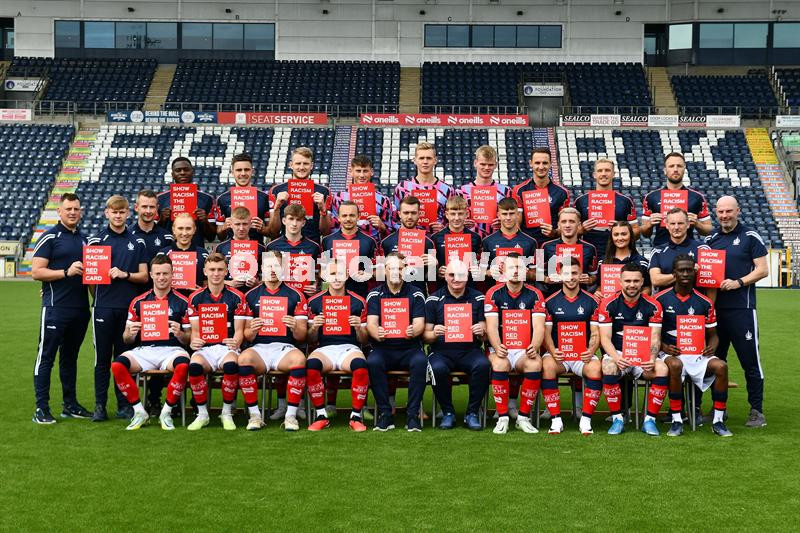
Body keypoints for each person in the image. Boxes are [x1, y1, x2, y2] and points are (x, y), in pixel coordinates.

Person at [705, 196, 768, 428]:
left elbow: (762, 270)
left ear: (738, 211)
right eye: (721, 212)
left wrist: (738, 282)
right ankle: (718, 409)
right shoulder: (710, 239)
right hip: (715, 312)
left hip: (742, 309)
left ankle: (756, 410)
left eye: (729, 211)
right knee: (714, 361)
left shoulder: (750, 236)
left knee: (750, 362)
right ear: (716, 212)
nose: (724, 216)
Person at [110, 255, 193, 430]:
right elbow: (126, 338)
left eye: (165, 273)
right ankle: (140, 411)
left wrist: (180, 333)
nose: (162, 277)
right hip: (145, 349)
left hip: (172, 350)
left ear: (172, 274)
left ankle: (166, 412)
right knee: (117, 365)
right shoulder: (139, 301)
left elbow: (188, 339)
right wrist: (131, 333)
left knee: (183, 366)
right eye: (158, 274)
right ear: (151, 275)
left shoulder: (183, 302)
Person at [655, 254, 733, 437]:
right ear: (673, 273)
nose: (685, 273)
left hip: (696, 353)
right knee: (675, 365)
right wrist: (664, 347)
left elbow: (713, 335)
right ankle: (676, 420)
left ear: (695, 273)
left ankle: (718, 421)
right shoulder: (659, 299)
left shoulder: (704, 302)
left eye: (689, 270)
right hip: (670, 353)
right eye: (681, 270)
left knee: (721, 366)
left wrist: (711, 347)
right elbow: (653, 335)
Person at [31, 193, 92, 423]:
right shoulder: (50, 237)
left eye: (76, 208)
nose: (73, 212)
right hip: (55, 308)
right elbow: (36, 271)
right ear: (60, 211)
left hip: (80, 309)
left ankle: (70, 405)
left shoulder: (86, 240)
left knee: (70, 359)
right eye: (68, 209)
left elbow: (91, 277)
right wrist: (65, 272)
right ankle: (41, 408)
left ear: (81, 211)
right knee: (46, 357)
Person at [87, 195, 149, 422]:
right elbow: (91, 280)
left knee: (123, 358)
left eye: (122, 212)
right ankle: (100, 406)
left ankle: (125, 404)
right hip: (103, 308)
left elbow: (144, 276)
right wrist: (101, 299)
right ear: (106, 213)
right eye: (114, 212)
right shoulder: (96, 241)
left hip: (128, 310)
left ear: (128, 214)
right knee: (102, 359)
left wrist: (125, 275)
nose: (118, 215)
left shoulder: (137, 242)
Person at [239, 250, 309, 432]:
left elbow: (302, 336)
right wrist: (252, 330)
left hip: (284, 347)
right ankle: (255, 415)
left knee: (300, 360)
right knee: (244, 359)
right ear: (261, 268)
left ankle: (291, 416)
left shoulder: (296, 295)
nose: (272, 270)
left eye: (277, 266)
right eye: (269, 266)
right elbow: (246, 335)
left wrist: (294, 326)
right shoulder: (250, 296)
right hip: (259, 348)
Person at [598, 263, 667, 436]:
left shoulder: (653, 305)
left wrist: (651, 357)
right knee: (608, 367)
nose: (632, 285)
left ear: (643, 281)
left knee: (662, 368)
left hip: (643, 353)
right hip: (618, 352)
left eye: (636, 281)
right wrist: (615, 357)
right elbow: (604, 338)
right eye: (627, 280)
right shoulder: (608, 304)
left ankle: (649, 420)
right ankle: (617, 418)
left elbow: (655, 336)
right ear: (619, 281)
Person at [484, 252, 546, 434]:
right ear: (503, 270)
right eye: (511, 267)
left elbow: (539, 327)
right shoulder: (493, 293)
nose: (516, 271)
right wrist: (497, 347)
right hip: (501, 347)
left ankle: (523, 417)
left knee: (535, 364)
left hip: (523, 348)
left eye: (519, 267)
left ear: (526, 270)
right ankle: (502, 416)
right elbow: (492, 327)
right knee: (500, 363)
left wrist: (534, 346)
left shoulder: (535, 294)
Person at [305, 259, 370, 432]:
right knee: (311, 365)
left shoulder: (358, 301)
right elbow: (310, 339)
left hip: (349, 348)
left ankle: (356, 416)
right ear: (325, 275)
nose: (336, 278)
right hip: (324, 349)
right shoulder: (314, 301)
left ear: (347, 275)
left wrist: (358, 327)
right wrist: (314, 327)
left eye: (340, 273)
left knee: (361, 366)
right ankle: (321, 415)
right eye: (332, 274)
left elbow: (364, 340)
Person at [185, 253, 248, 431]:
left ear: (226, 271)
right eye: (212, 269)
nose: (216, 274)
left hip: (227, 347)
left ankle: (226, 412)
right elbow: (195, 333)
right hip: (205, 348)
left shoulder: (237, 297)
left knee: (231, 366)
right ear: (205, 271)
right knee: (195, 367)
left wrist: (235, 341)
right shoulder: (195, 298)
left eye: (220, 269)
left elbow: (239, 332)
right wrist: (194, 342)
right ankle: (202, 414)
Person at [366, 252, 428, 432]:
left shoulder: (416, 294)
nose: (395, 272)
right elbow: (371, 323)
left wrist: (413, 330)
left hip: (409, 347)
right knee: (373, 362)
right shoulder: (375, 294)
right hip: (384, 347)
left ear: (406, 270)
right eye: (391, 268)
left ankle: (412, 415)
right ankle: (386, 414)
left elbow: (419, 324)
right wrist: (377, 333)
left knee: (420, 362)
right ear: (384, 270)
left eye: (400, 268)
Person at [424, 261, 489, 431]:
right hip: (441, 352)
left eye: (460, 275)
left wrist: (481, 330)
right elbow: (425, 335)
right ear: (445, 276)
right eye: (452, 275)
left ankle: (472, 413)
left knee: (483, 365)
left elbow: (485, 334)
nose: (456, 279)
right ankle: (448, 412)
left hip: (470, 351)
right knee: (437, 368)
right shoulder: (433, 299)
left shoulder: (479, 298)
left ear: (467, 277)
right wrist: (434, 332)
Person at [541, 258, 602, 435]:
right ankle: (556, 419)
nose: (571, 277)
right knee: (547, 366)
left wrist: (591, 351)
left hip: (582, 354)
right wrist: (553, 351)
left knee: (596, 368)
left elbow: (596, 332)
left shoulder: (591, 301)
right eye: (566, 273)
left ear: (581, 274)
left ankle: (586, 419)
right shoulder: (550, 301)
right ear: (560, 274)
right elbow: (545, 332)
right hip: (559, 354)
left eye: (574, 273)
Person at [640, 152, 712, 247]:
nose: (675, 169)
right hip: (661, 249)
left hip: (688, 250)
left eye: (679, 166)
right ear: (665, 170)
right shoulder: (651, 197)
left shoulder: (697, 197)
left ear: (684, 169)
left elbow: (709, 230)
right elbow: (645, 234)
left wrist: (697, 224)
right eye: (671, 166)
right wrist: (649, 225)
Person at [267, 146, 332, 243]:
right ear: (291, 165)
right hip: (283, 247)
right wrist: (276, 208)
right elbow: (273, 232)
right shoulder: (276, 191)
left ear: (312, 165)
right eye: (298, 163)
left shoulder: (324, 192)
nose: (301, 167)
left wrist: (323, 210)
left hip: (312, 247)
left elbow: (326, 232)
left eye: (305, 163)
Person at [573, 159, 638, 255]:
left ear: (613, 174)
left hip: (616, 254)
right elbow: (569, 233)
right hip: (588, 253)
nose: (603, 174)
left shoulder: (625, 201)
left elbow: (636, 231)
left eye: (607, 170)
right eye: (600, 171)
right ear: (594, 175)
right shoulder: (580, 201)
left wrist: (620, 229)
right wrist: (582, 229)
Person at [511, 147, 570, 247]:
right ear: (531, 164)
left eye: (545, 163)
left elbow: (565, 224)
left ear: (551, 163)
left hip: (552, 245)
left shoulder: (562, 192)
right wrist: (527, 243)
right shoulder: (519, 190)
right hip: (527, 245)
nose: (541, 167)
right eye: (537, 163)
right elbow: (516, 223)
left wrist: (554, 232)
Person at [380, 196, 437, 297]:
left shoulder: (428, 243)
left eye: (413, 213)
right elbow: (379, 276)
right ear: (399, 214)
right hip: (392, 298)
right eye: (406, 213)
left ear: (419, 214)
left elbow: (432, 278)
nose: (410, 217)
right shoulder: (386, 242)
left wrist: (434, 266)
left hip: (418, 297)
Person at [392, 142, 453, 234]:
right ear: (415, 160)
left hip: (437, 241)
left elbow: (454, 219)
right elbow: (394, 218)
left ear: (435, 160)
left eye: (429, 158)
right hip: (410, 240)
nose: (425, 162)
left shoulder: (447, 190)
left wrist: (444, 228)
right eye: (421, 158)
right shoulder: (402, 188)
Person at [322, 200, 379, 299]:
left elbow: (380, 272)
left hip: (361, 295)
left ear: (359, 216)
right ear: (338, 217)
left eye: (352, 215)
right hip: (333, 297)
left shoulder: (370, 241)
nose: (348, 219)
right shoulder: (327, 241)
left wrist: (368, 274)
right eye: (344, 216)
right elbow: (321, 270)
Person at [157, 156, 217, 248]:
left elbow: (211, 237)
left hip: (196, 252)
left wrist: (205, 221)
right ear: (172, 174)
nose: (182, 173)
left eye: (186, 170)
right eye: (178, 170)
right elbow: (154, 235)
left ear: (192, 172)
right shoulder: (160, 199)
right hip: (168, 252)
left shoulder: (206, 199)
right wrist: (162, 220)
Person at [332, 155, 393, 241]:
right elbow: (333, 228)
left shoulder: (383, 200)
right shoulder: (338, 198)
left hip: (372, 247)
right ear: (351, 172)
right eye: (358, 171)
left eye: (365, 171)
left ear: (371, 172)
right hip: (345, 246)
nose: (361, 175)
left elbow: (391, 234)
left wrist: (382, 226)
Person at [265, 203, 322, 298]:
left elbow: (317, 273)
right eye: (291, 219)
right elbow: (265, 274)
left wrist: (315, 285)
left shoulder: (314, 247)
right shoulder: (272, 246)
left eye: (298, 220)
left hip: (304, 297)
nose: (294, 224)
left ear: (303, 223)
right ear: (284, 220)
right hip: (280, 297)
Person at [455, 145, 511, 239]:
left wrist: (504, 222)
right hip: (469, 241)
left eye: (490, 165)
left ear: (496, 165)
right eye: (483, 164)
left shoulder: (506, 191)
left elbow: (513, 219)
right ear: (475, 163)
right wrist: (460, 222)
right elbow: (452, 220)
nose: (486, 168)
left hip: (497, 241)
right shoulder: (461, 192)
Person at [540, 208, 599, 295]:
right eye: (564, 222)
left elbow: (595, 275)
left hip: (581, 297)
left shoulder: (590, 248)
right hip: (552, 296)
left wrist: (590, 280)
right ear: (558, 225)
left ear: (579, 225)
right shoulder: (544, 246)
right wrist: (545, 279)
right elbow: (535, 273)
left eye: (572, 221)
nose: (567, 225)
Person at [648, 208, 710, 291]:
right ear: (666, 225)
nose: (676, 227)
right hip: (666, 303)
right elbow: (656, 280)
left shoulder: (703, 249)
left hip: (696, 302)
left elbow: (711, 283)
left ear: (688, 224)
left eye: (680, 223)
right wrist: (689, 272)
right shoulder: (657, 251)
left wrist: (710, 304)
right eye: (672, 223)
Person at [214, 152, 271, 242]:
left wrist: (263, 229)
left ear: (252, 171)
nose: (243, 173)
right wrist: (224, 227)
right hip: (231, 251)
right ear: (232, 172)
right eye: (239, 170)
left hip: (257, 249)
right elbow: (220, 236)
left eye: (247, 169)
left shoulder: (264, 198)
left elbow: (273, 233)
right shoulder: (222, 199)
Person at [480, 197, 537, 285]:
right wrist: (488, 272)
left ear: (518, 214)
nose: (508, 217)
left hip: (522, 293)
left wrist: (527, 273)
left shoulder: (532, 242)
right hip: (497, 293)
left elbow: (539, 274)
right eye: (504, 214)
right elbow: (479, 274)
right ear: (498, 215)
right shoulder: (487, 241)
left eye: (511, 213)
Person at [430, 195, 482, 290]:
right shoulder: (435, 238)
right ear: (446, 214)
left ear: (466, 214)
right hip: (443, 289)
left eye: (460, 214)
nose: (457, 218)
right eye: (453, 214)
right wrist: (437, 271)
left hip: (469, 289)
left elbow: (482, 267)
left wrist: (477, 270)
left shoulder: (476, 238)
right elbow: (430, 272)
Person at [214, 206, 268, 290]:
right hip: (228, 295)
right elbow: (210, 277)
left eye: (245, 224)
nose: (241, 228)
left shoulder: (261, 248)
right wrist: (229, 283)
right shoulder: (221, 248)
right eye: (237, 224)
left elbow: (269, 278)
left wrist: (257, 283)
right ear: (231, 224)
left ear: (250, 224)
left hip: (252, 295)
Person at [157, 212, 209, 295]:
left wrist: (201, 292)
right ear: (173, 229)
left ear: (194, 229)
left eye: (188, 228)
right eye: (180, 228)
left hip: (195, 303)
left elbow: (207, 283)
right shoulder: (163, 254)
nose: (184, 233)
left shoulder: (203, 254)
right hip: (170, 304)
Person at [596, 221, 651, 299]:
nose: (620, 238)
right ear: (611, 237)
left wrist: (634, 299)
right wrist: (598, 293)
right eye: (616, 234)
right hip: (610, 307)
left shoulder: (642, 262)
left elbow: (647, 288)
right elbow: (600, 286)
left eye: (624, 234)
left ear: (631, 236)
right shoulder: (602, 262)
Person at [129, 189, 174, 265]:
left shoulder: (167, 237)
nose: (148, 211)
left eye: (152, 207)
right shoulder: (127, 234)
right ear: (136, 207)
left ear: (157, 208)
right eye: (144, 207)